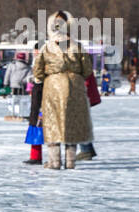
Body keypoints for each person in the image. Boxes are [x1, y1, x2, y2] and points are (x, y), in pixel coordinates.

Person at [33, 10, 94, 170]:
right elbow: (87, 69)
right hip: (75, 86)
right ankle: (70, 162)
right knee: (71, 124)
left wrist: (43, 78)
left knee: (53, 124)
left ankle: (54, 162)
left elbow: (38, 70)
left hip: (53, 86)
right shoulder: (77, 46)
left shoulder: (47, 47)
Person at [5, 52, 33, 120]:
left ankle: (14, 113)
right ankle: (22, 113)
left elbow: (7, 74)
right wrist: (23, 81)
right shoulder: (27, 67)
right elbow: (29, 77)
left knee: (14, 100)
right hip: (22, 86)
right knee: (23, 100)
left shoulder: (12, 65)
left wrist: (5, 83)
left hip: (13, 84)